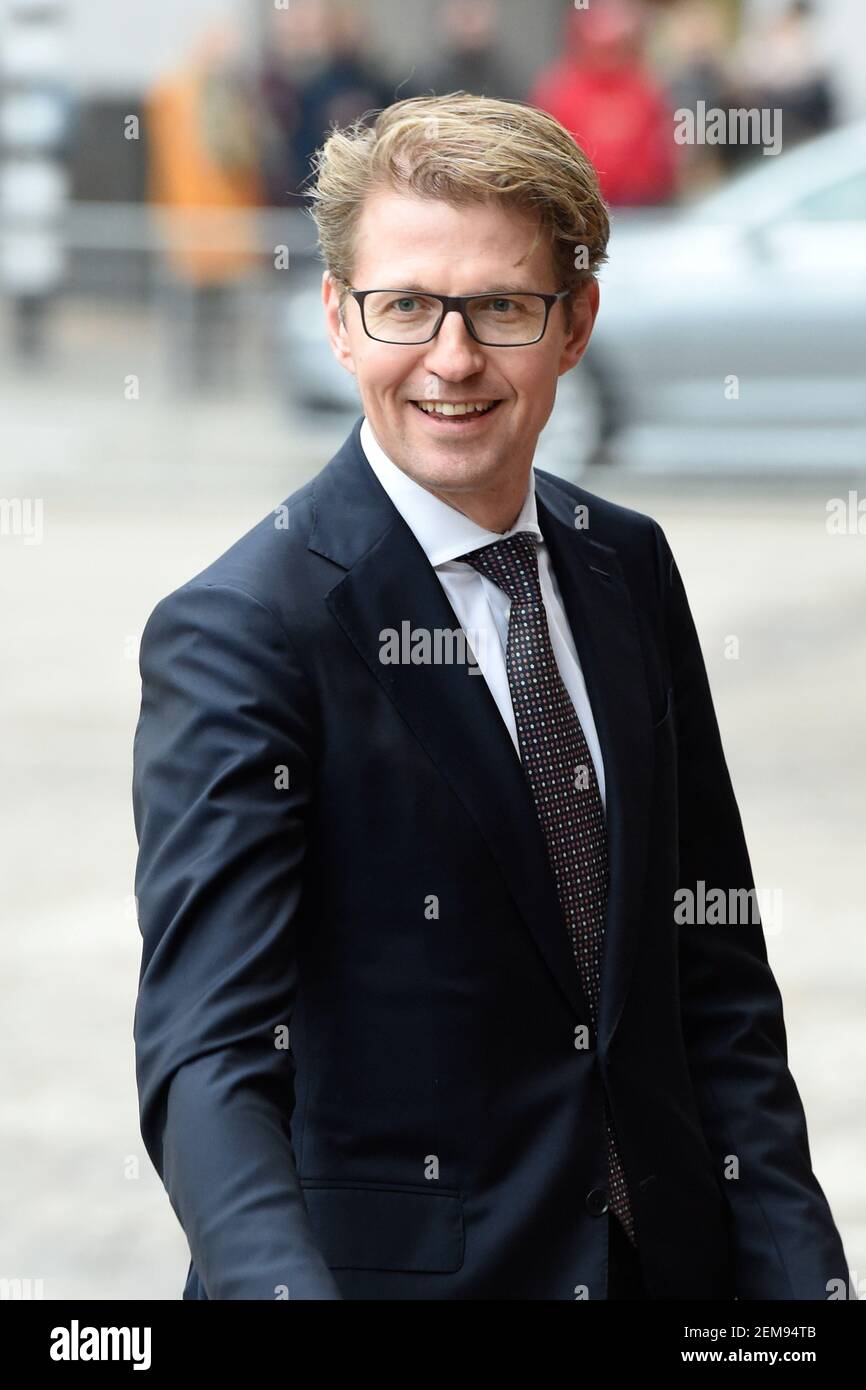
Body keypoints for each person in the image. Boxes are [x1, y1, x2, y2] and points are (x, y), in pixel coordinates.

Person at [132, 92, 849, 1301]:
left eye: (501, 307)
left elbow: (712, 977)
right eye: (405, 304)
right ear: (339, 321)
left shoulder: (626, 563)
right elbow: (209, 1057)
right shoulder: (245, 629)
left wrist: (798, 1287)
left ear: (574, 325)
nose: (451, 358)